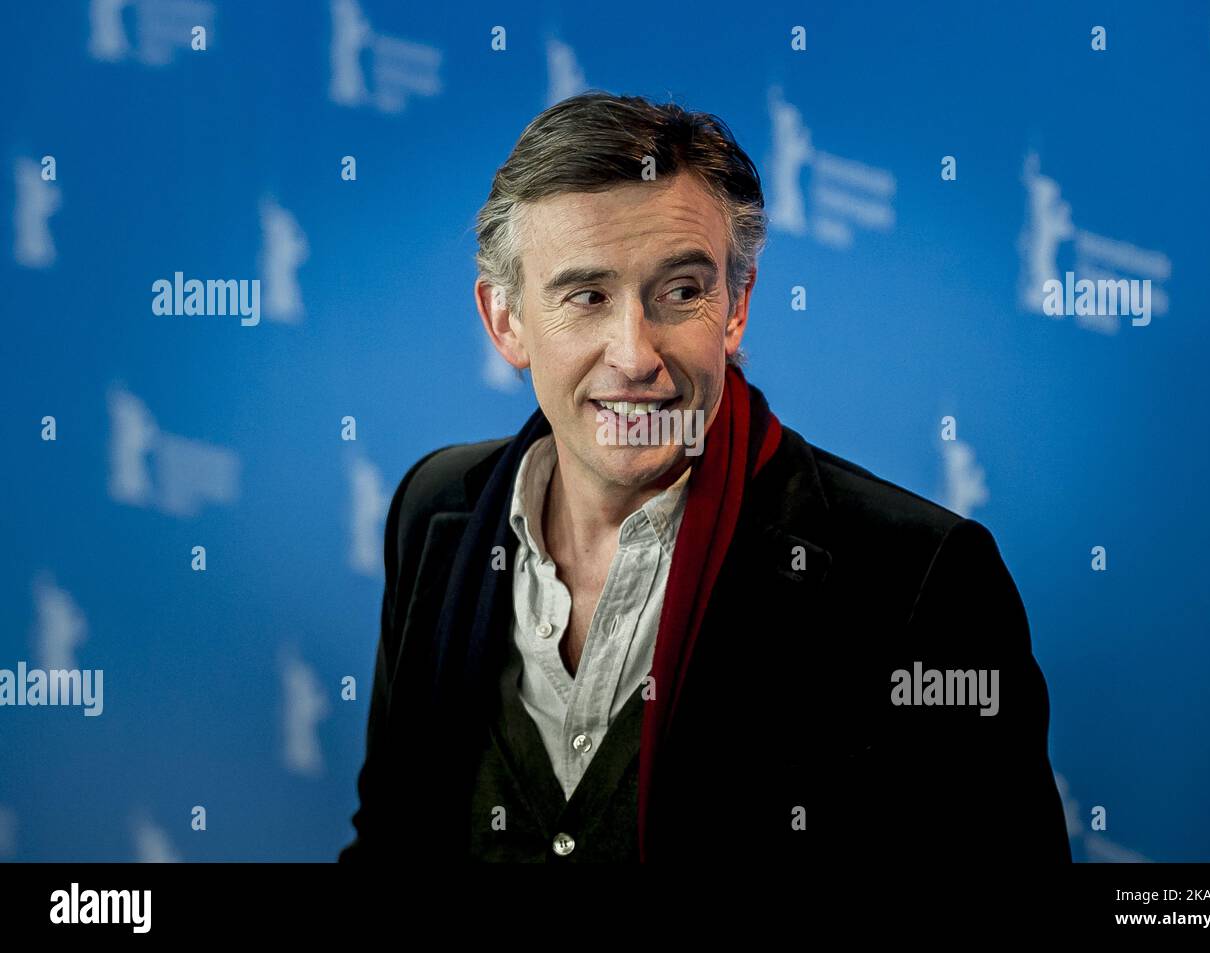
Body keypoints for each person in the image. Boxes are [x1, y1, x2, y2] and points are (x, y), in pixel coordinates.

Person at [339, 91, 1072, 863]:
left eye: (680, 292)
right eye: (587, 296)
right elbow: (389, 841)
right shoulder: (437, 514)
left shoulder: (922, 579)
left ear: (736, 306)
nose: (634, 354)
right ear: (506, 321)